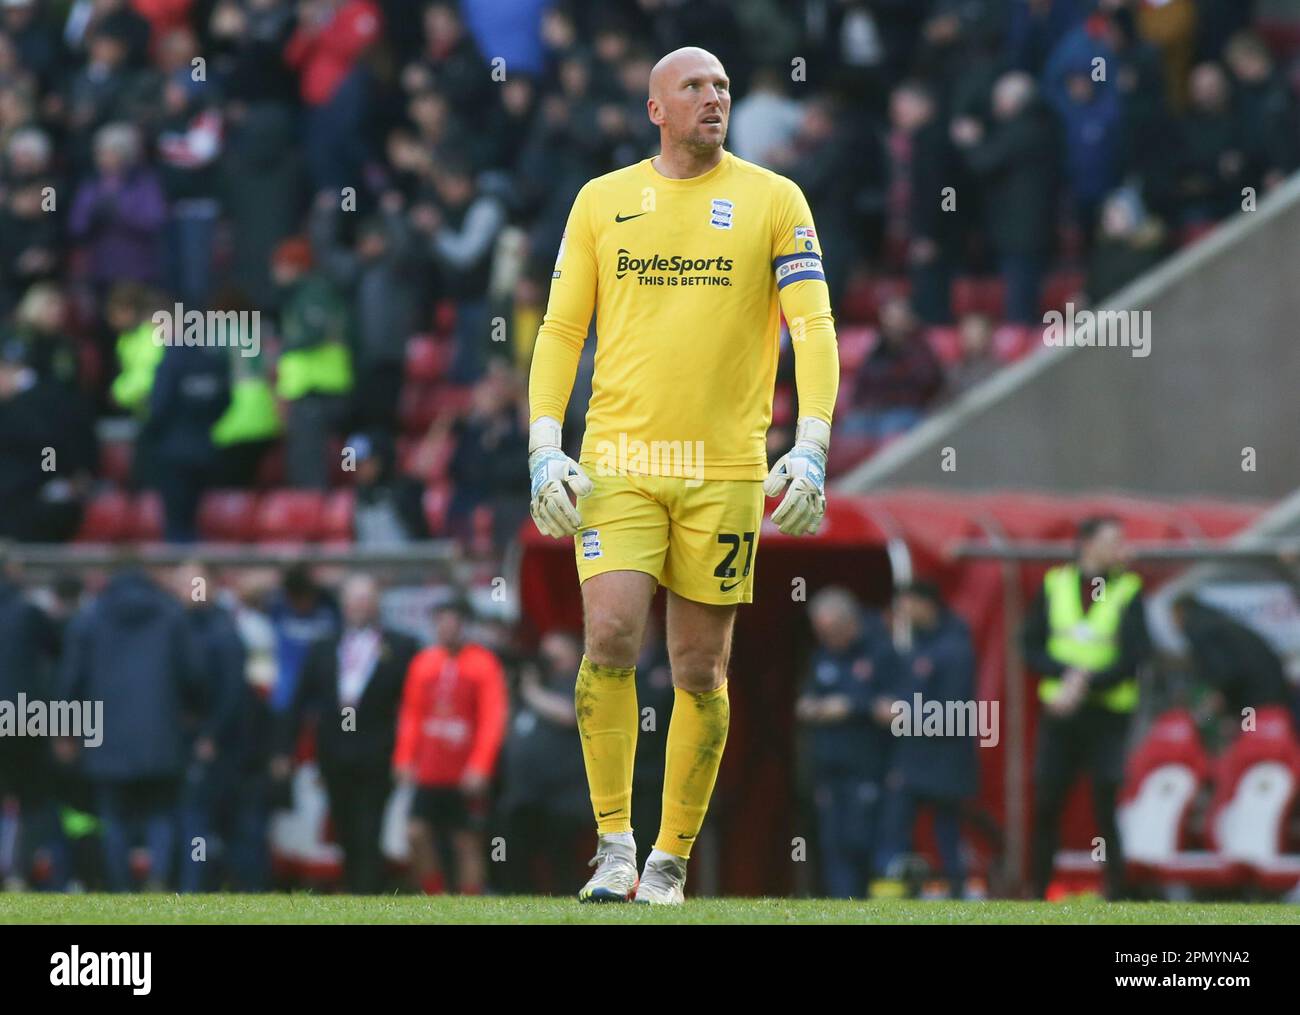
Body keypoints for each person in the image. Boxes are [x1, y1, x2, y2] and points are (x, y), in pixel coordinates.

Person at [526, 46, 838, 904]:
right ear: (655, 108)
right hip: (620, 460)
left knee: (700, 667)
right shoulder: (603, 201)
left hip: (725, 467)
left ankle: (670, 858)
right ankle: (615, 843)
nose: (715, 99)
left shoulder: (776, 200)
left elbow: (812, 325)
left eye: (724, 88)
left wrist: (810, 442)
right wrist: (543, 443)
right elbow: (561, 330)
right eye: (695, 88)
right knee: (612, 637)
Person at [1022, 515, 1151, 899]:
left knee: (1106, 805)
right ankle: (1038, 892)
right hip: (1061, 716)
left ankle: (1117, 894)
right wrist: (1065, 674)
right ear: (1087, 544)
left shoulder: (1128, 589)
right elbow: (1029, 645)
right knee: (1047, 802)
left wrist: (1083, 682)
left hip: (1107, 716)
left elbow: (1134, 657)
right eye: (1112, 540)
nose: (1121, 547)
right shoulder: (1055, 584)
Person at [59, 564, 201, 891]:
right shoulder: (171, 615)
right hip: (161, 733)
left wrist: (66, 729)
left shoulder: (90, 617)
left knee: (113, 816)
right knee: (161, 811)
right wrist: (192, 712)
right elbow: (194, 674)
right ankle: (158, 879)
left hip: (105, 735)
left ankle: (120, 888)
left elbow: (71, 679)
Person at [276, 574, 417, 893]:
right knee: (345, 829)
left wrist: (409, 755)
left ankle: (368, 897)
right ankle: (356, 893)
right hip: (334, 755)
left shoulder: (401, 646)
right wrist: (284, 750)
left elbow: (413, 706)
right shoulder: (323, 647)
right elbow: (299, 701)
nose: (359, 606)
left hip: (379, 754)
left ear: (376, 604)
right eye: (353, 599)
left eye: (365, 599)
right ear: (343, 604)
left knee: (370, 829)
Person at [394, 598, 507, 895]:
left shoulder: (483, 663)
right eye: (440, 621)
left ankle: (470, 900)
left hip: (464, 771)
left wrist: (481, 766)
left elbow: (492, 718)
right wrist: (404, 757)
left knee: (465, 840)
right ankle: (435, 895)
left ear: (464, 625)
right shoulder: (423, 662)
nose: (446, 628)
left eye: (452, 621)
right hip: (430, 769)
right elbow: (411, 714)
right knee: (416, 833)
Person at [875, 581, 977, 898]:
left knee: (946, 830)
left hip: (946, 758)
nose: (903, 612)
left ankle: (957, 891)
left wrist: (903, 716)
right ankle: (901, 891)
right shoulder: (915, 644)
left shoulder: (955, 648)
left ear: (926, 604)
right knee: (895, 827)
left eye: (907, 604)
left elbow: (956, 713)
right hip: (911, 756)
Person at [796, 587, 896, 899]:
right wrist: (827, 708)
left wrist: (850, 706)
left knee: (861, 839)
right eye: (821, 632)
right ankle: (841, 904)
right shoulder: (823, 656)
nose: (827, 637)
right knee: (831, 840)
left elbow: (892, 708)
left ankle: (866, 902)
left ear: (849, 622)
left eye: (831, 631)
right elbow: (804, 706)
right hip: (827, 767)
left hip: (866, 767)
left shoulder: (880, 651)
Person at [496, 630, 591, 894]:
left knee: (561, 859)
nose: (549, 660)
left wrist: (532, 690)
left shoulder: (580, 682)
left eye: (556, 655)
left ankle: (567, 901)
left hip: (563, 797)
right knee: (516, 858)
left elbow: (569, 715)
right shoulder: (534, 685)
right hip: (523, 795)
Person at [1170, 593, 1295, 731]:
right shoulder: (1218, 622)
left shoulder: (1200, 630)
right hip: (1268, 690)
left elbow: (1223, 670)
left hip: (1254, 696)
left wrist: (1218, 694)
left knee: (1250, 738)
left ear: (1180, 612)